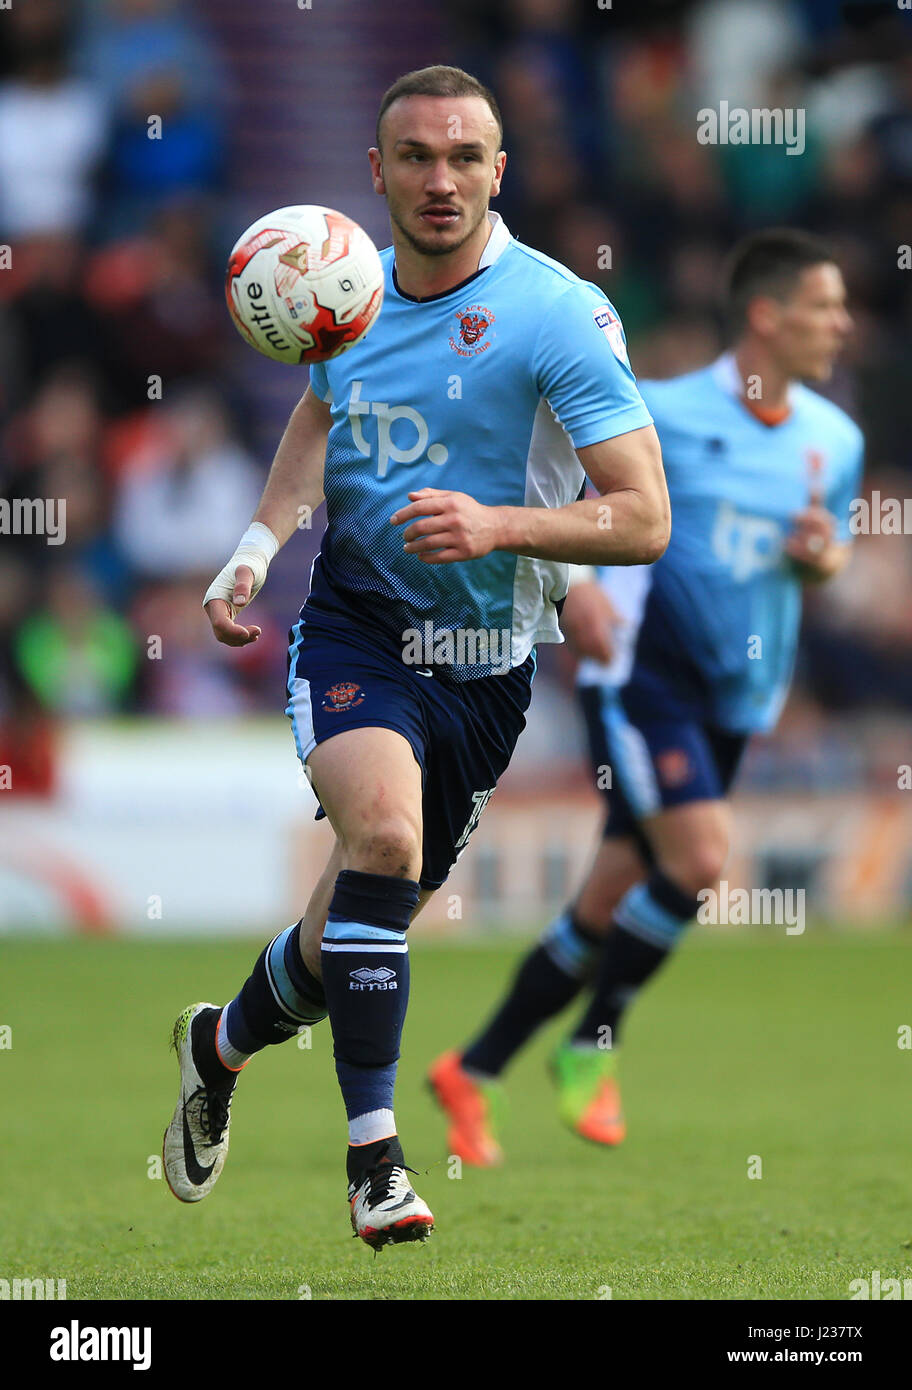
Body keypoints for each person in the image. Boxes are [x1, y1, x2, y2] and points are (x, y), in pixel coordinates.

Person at [161, 65, 669, 1248]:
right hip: (357, 627)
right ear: (377, 171)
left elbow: (643, 517)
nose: (442, 179)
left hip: (489, 666)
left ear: (501, 170)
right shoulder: (336, 288)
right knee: (383, 838)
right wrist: (253, 547)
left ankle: (216, 1045)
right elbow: (320, 416)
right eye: (417, 156)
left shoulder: (558, 313)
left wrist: (502, 525)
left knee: (349, 941)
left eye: (466, 157)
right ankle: (376, 1160)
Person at [429, 228, 862, 1165]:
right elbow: (575, 493)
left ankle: (476, 1067)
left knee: (611, 895)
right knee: (702, 859)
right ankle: (593, 1043)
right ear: (766, 315)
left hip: (738, 693)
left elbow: (830, 562)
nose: (842, 324)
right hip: (639, 673)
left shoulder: (837, 440)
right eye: (825, 306)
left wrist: (822, 559)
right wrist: (577, 590)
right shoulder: (658, 410)